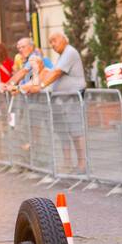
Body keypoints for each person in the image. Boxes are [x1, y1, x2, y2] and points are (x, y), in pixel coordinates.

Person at [24, 31, 87, 174]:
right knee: (65, 133)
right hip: (62, 100)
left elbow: (56, 73)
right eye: (50, 42)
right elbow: (48, 72)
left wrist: (40, 86)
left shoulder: (69, 52)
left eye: (54, 40)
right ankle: (68, 163)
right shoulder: (61, 56)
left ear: (64, 39)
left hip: (72, 99)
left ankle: (83, 164)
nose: (52, 44)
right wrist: (25, 87)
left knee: (76, 132)